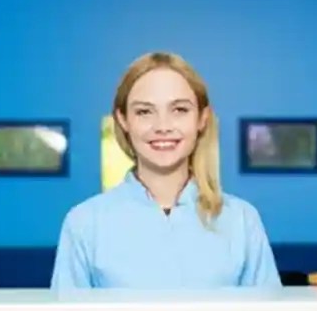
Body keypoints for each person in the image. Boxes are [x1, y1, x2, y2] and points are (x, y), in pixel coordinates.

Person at [51, 51, 282, 290]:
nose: (162, 127)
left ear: (202, 118)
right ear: (123, 120)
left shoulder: (242, 220)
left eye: (179, 110)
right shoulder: (84, 223)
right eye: (144, 111)